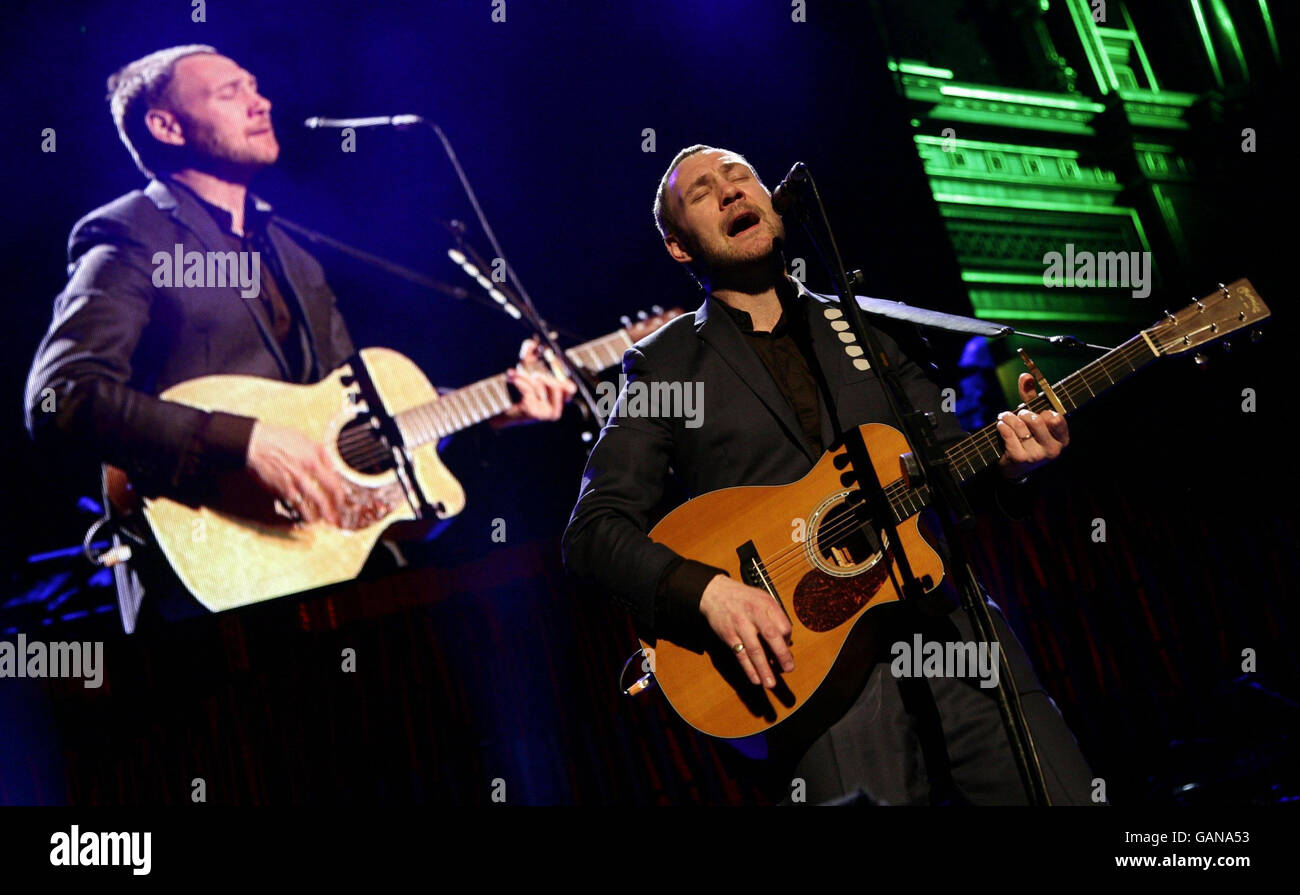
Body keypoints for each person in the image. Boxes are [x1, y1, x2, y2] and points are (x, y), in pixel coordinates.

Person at [563, 145, 1097, 805]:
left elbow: (956, 460)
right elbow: (593, 531)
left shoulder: (862, 325)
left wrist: (1017, 464)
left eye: (740, 175)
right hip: (813, 682)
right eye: (703, 191)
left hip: (951, 636)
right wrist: (707, 593)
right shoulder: (665, 364)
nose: (732, 191)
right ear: (679, 246)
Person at [24, 45, 574, 623]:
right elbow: (60, 396)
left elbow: (349, 425)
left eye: (254, 87)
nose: (259, 103)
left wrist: (492, 413)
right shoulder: (131, 232)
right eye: (229, 92)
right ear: (165, 125)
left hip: (336, 573)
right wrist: (245, 440)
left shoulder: (295, 255)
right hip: (213, 593)